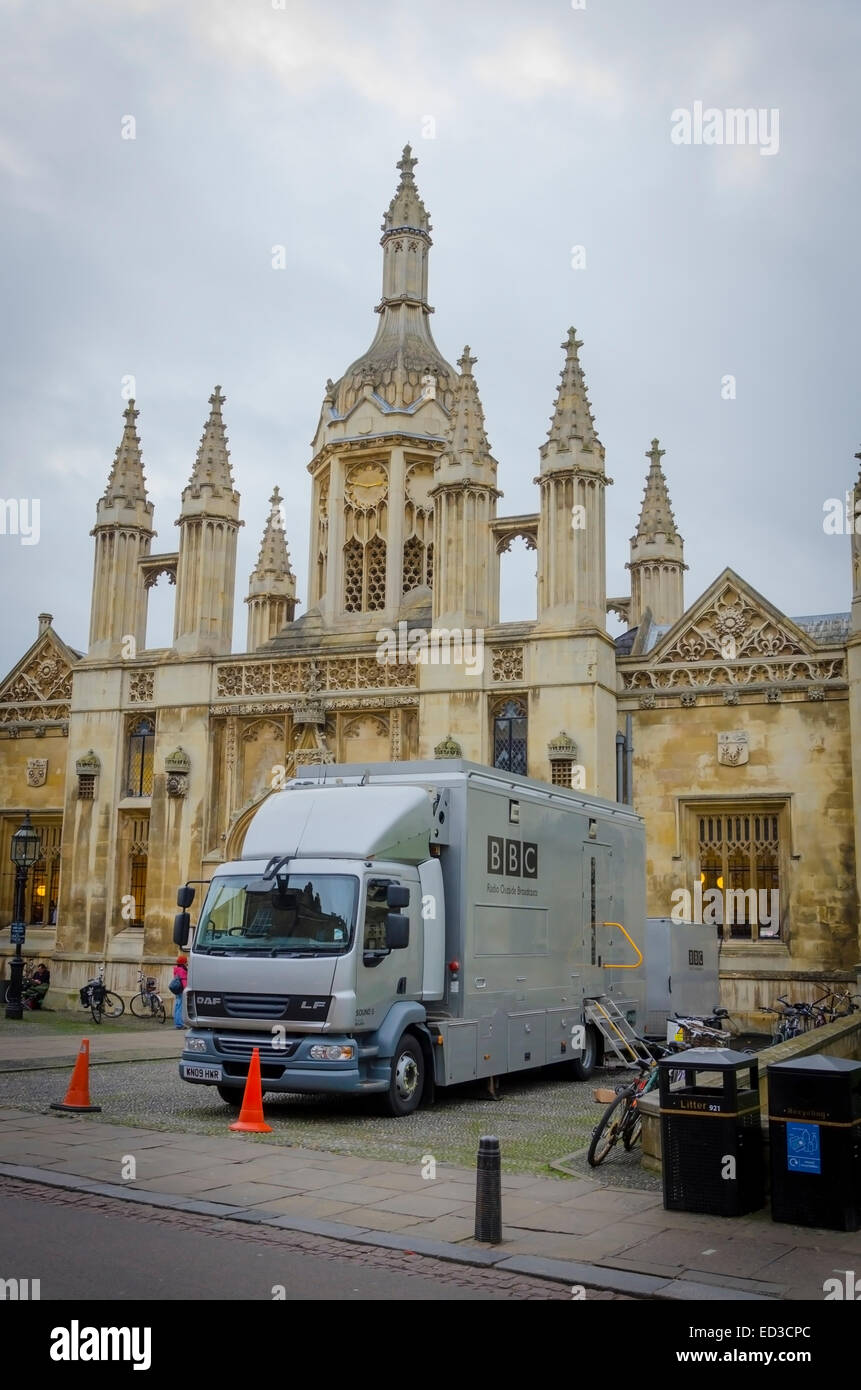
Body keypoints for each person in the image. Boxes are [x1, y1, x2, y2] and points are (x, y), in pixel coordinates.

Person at [172, 953, 188, 1028]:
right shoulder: (182, 970)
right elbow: (184, 981)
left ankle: (177, 1023)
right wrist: (186, 990)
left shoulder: (177, 969)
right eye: (186, 962)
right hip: (181, 990)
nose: (187, 963)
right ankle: (179, 1024)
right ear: (183, 963)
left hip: (177, 990)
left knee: (177, 1005)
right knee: (180, 1007)